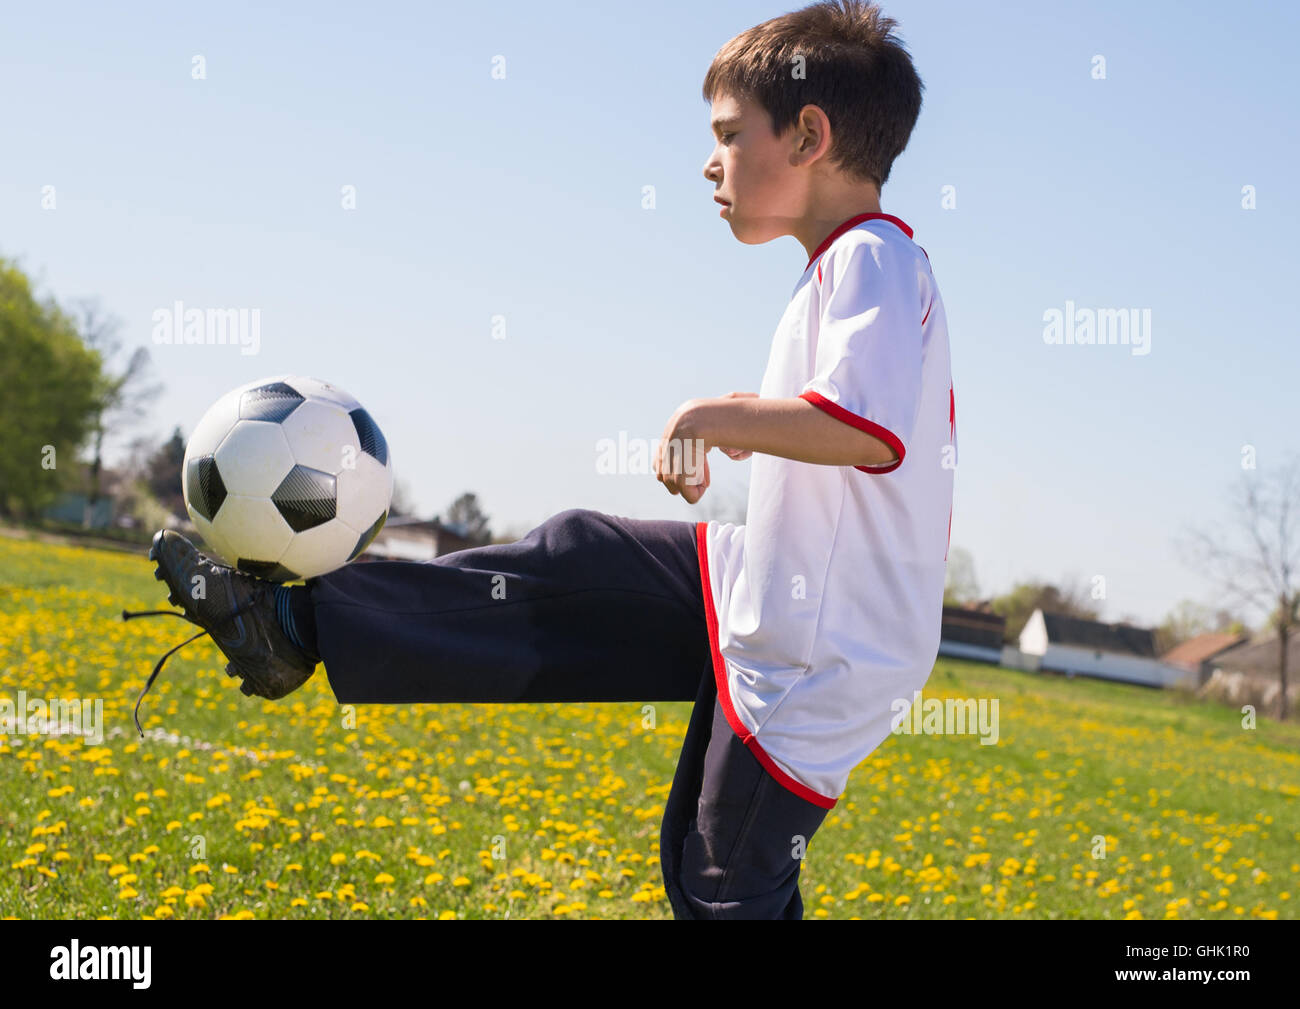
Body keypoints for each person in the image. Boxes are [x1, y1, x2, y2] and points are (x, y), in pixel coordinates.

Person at [139, 0, 955, 920]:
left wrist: (717, 412)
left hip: (826, 643)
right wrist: (749, 425)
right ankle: (297, 623)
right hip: (767, 582)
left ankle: (308, 624)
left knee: (725, 885)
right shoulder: (848, 268)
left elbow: (867, 428)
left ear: (809, 134)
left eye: (729, 134)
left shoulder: (873, 261)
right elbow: (843, 424)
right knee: (585, 559)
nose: (709, 161)